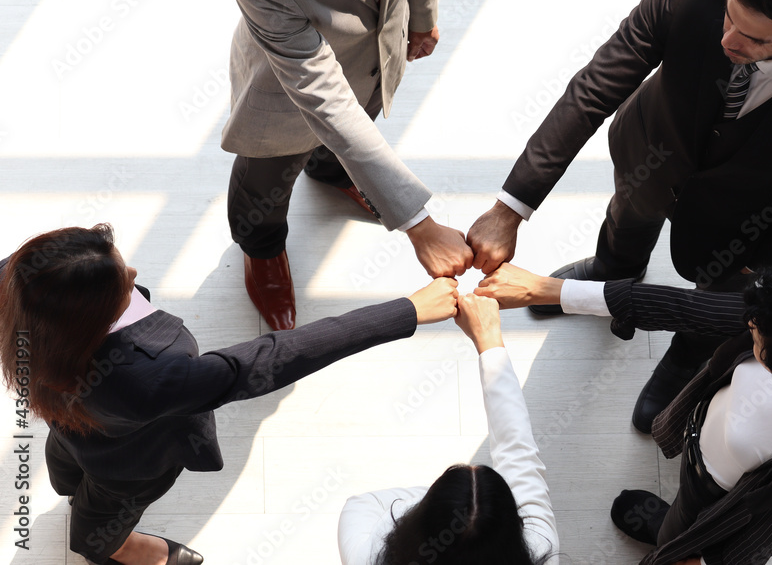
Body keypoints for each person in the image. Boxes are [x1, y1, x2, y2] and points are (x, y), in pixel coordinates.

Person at [466, 0, 772, 433]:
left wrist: (757, 259)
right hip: (649, 151)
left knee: (720, 293)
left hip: (744, 216)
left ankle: (686, 357)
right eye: (729, 17)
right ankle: (612, 269)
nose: (730, 40)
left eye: (755, 39)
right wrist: (510, 208)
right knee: (626, 216)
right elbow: (594, 87)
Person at [0, 224, 459, 565]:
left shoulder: (19, 288)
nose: (134, 272)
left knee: (67, 468)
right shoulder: (148, 379)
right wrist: (408, 311)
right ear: (87, 321)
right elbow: (270, 358)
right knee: (96, 527)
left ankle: (71, 491)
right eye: (122, 280)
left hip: (67, 424)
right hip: (129, 463)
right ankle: (114, 549)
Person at [475, 262, 772, 565]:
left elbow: (766, 537)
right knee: (681, 510)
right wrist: (548, 290)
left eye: (755, 337)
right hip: (698, 446)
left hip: (714, 492)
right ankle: (673, 525)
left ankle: (675, 536)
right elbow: (685, 308)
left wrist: (702, 560)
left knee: (686, 527)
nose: (747, 325)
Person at [224, 0, 472, 331]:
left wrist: (421, 14)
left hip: (370, 66)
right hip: (288, 95)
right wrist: (419, 225)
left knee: (346, 138)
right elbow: (324, 96)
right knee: (264, 187)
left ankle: (333, 172)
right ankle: (262, 249)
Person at [338, 294, 559, 565]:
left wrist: (429, 501)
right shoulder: (541, 547)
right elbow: (519, 452)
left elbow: (362, 505)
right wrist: (489, 341)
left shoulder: (367, 555)